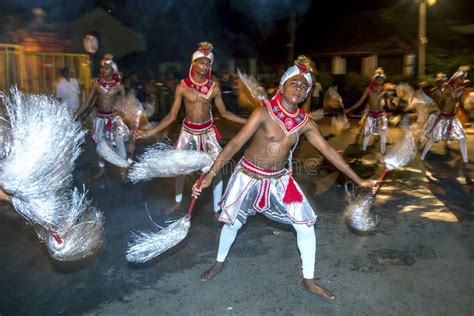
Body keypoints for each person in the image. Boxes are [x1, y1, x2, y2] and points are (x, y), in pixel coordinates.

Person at [191, 56, 374, 299]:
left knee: (305, 226)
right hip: (247, 176)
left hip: (280, 180)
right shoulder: (263, 112)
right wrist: (209, 175)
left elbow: (330, 152)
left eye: (304, 86)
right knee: (233, 223)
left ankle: (308, 280)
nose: (299, 88)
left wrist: (359, 180)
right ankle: (219, 262)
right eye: (294, 83)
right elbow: (235, 143)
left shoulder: (304, 123)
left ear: (307, 93)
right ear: (282, 85)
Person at [137, 42, 246, 214]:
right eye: (201, 62)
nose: (204, 66)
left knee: (215, 170)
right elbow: (172, 116)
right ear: (193, 63)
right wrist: (149, 131)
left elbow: (224, 113)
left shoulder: (214, 87)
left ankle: (217, 209)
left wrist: (248, 122)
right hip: (188, 133)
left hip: (208, 133)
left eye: (208, 63)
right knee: (180, 169)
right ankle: (178, 202)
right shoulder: (182, 86)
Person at [75, 54, 129, 180]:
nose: (103, 70)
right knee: (101, 146)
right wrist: (76, 114)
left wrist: (122, 113)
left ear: (113, 71)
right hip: (100, 119)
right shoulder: (96, 84)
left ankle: (123, 173)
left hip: (114, 119)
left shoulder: (119, 86)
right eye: (103, 68)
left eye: (106, 68)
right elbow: (88, 101)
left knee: (120, 143)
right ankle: (102, 169)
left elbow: (124, 104)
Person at [421, 66, 469, 163]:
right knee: (433, 139)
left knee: (462, 138)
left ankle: (466, 160)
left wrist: (467, 112)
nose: (462, 80)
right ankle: (422, 156)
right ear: (455, 78)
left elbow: (462, 105)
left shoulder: (459, 91)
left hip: (453, 119)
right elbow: (440, 101)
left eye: (463, 78)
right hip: (443, 118)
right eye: (461, 78)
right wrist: (435, 96)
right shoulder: (447, 89)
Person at [345, 67, 390, 153]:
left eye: (381, 79)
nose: (379, 81)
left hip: (380, 115)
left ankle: (383, 154)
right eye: (378, 79)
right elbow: (360, 102)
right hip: (370, 115)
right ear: (374, 79)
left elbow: (390, 103)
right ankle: (363, 151)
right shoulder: (368, 90)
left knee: (383, 135)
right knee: (366, 133)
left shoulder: (384, 91)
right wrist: (349, 109)